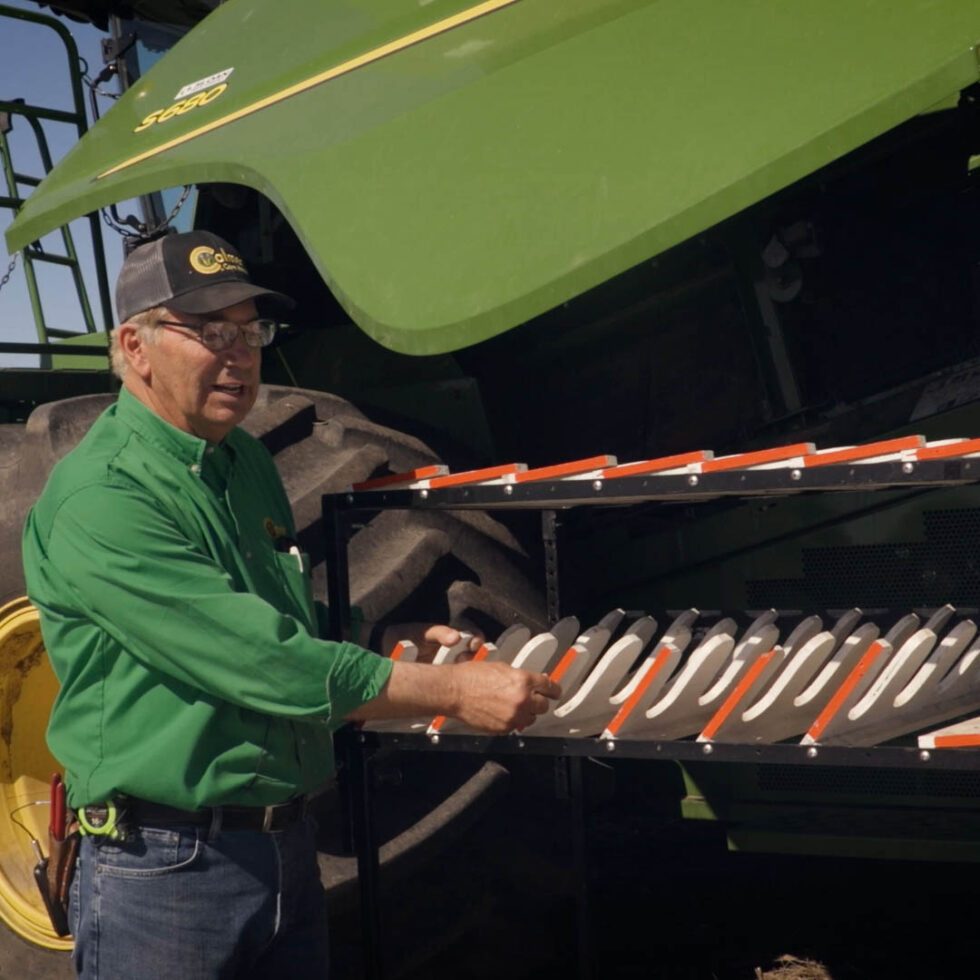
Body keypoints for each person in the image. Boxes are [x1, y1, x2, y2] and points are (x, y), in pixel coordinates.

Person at [21, 230, 560, 980]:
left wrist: (382, 634)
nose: (238, 353)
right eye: (209, 331)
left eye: (250, 331)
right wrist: (452, 693)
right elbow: (260, 660)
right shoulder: (103, 497)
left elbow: (278, 615)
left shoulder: (242, 462)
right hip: (164, 874)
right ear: (134, 346)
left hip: (283, 849)